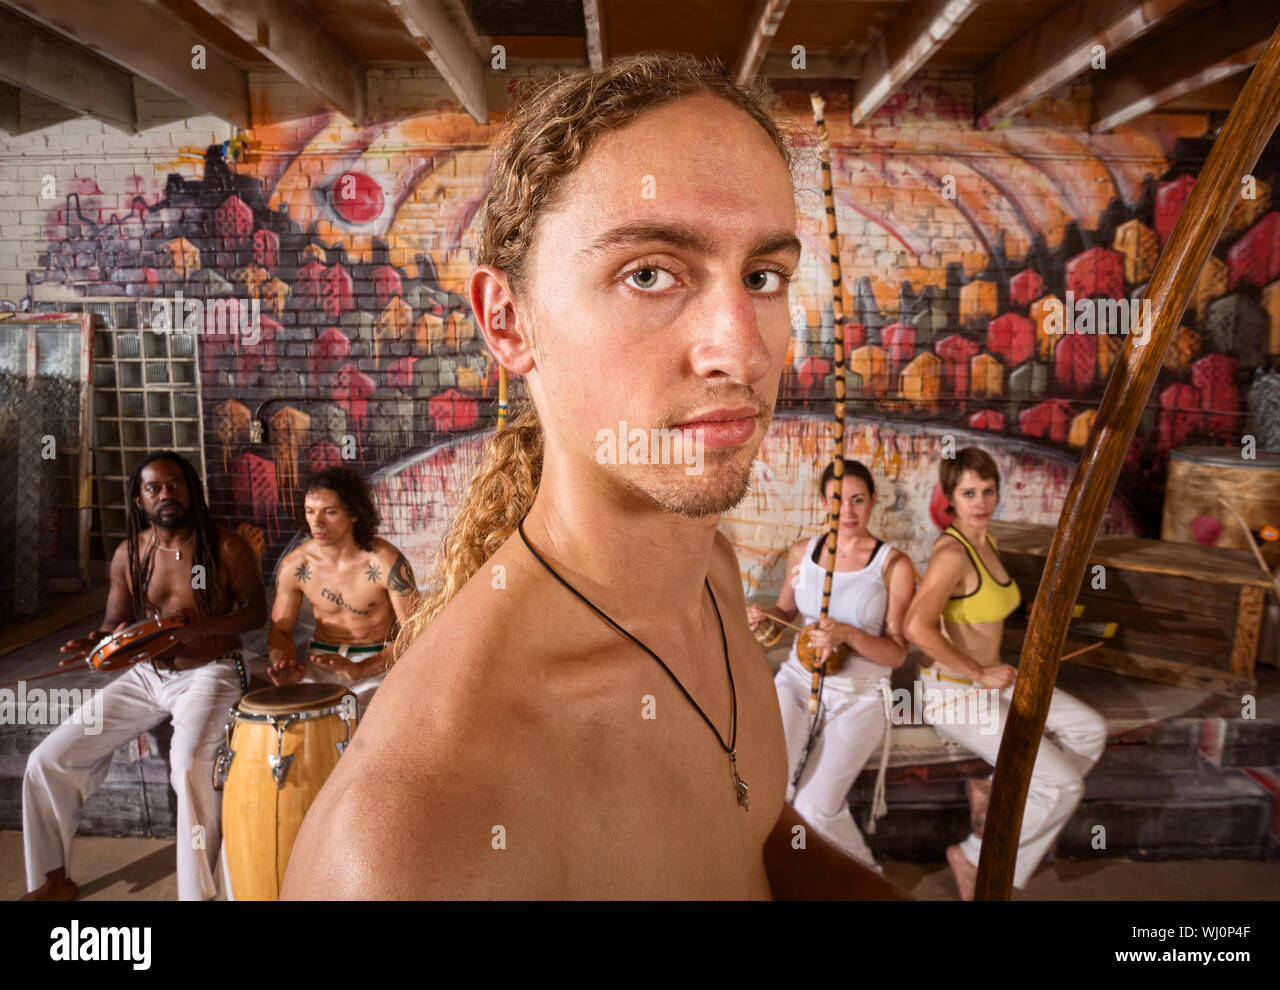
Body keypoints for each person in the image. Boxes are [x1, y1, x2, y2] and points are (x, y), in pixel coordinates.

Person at [282, 53, 909, 899]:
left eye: (762, 277)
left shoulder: (715, 581)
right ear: (508, 323)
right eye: (649, 273)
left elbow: (748, 835)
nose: (743, 350)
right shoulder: (412, 835)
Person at [22, 451, 266, 900]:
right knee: (47, 759)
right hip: (146, 675)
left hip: (210, 672)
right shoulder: (129, 553)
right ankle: (52, 879)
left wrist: (204, 626)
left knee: (189, 764)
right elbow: (116, 621)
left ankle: (200, 894)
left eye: (175, 485)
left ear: (191, 490)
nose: (166, 495)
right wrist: (96, 641)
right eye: (154, 488)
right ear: (139, 498)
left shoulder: (227, 546)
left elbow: (256, 614)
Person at [903, 446, 1106, 899]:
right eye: (969, 492)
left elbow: (982, 611)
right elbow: (915, 625)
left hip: (992, 681)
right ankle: (974, 855)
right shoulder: (953, 553)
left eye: (987, 490)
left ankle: (996, 791)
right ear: (949, 498)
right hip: (955, 692)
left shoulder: (985, 541)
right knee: (1063, 786)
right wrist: (977, 670)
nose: (980, 501)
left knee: (1090, 730)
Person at [748, 459, 915, 871]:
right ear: (824, 501)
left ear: (874, 501)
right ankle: (795, 877)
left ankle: (871, 882)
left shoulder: (893, 565)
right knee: (773, 788)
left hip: (859, 698)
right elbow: (786, 610)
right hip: (798, 682)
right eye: (838, 500)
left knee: (816, 808)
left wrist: (851, 635)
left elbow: (897, 653)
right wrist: (764, 617)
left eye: (859, 500)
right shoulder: (805, 552)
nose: (849, 511)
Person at [265, 467, 419, 716]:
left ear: (354, 514)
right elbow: (280, 632)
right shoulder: (296, 565)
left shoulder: (384, 562)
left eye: (330, 512)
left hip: (378, 665)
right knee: (296, 733)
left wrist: (364, 668)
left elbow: (415, 633)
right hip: (320, 665)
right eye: (310, 512)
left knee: (365, 736)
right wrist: (284, 662)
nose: (317, 522)